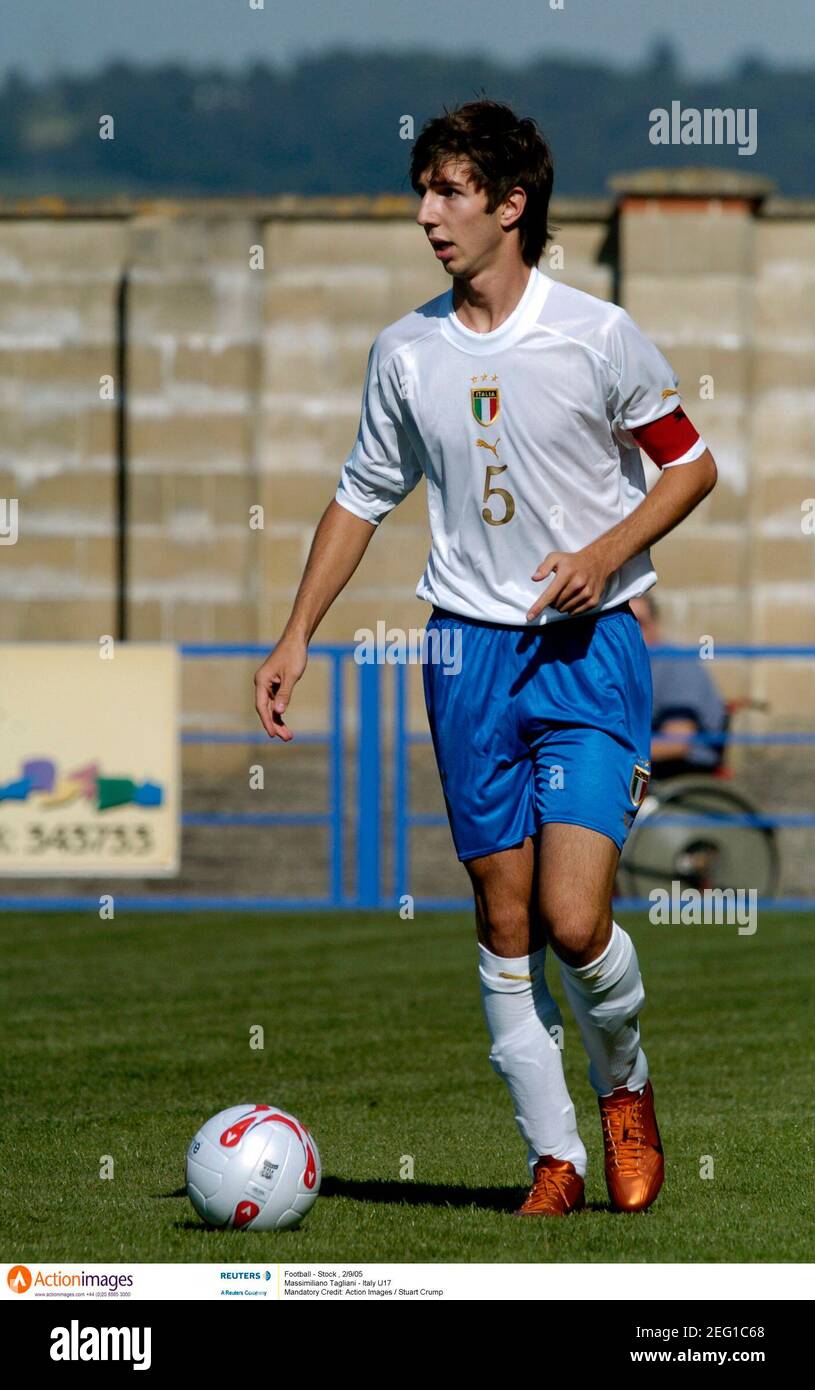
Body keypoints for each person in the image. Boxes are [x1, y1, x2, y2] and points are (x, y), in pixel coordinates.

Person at [254, 99, 717, 1216]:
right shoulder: (404, 351)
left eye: (449, 193)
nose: (427, 216)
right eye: (423, 193)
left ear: (511, 206)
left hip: (587, 648)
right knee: (503, 922)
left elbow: (691, 466)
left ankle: (627, 1086)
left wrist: (605, 555)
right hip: (463, 656)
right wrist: (295, 631)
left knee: (572, 918)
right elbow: (363, 495)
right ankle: (551, 1158)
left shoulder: (596, 333)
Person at [630, 593, 727, 779]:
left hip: (681, 772)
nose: (631, 632)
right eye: (624, 624)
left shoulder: (677, 666)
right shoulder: (632, 669)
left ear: (655, 626)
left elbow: (675, 744)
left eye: (639, 623)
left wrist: (611, 753)